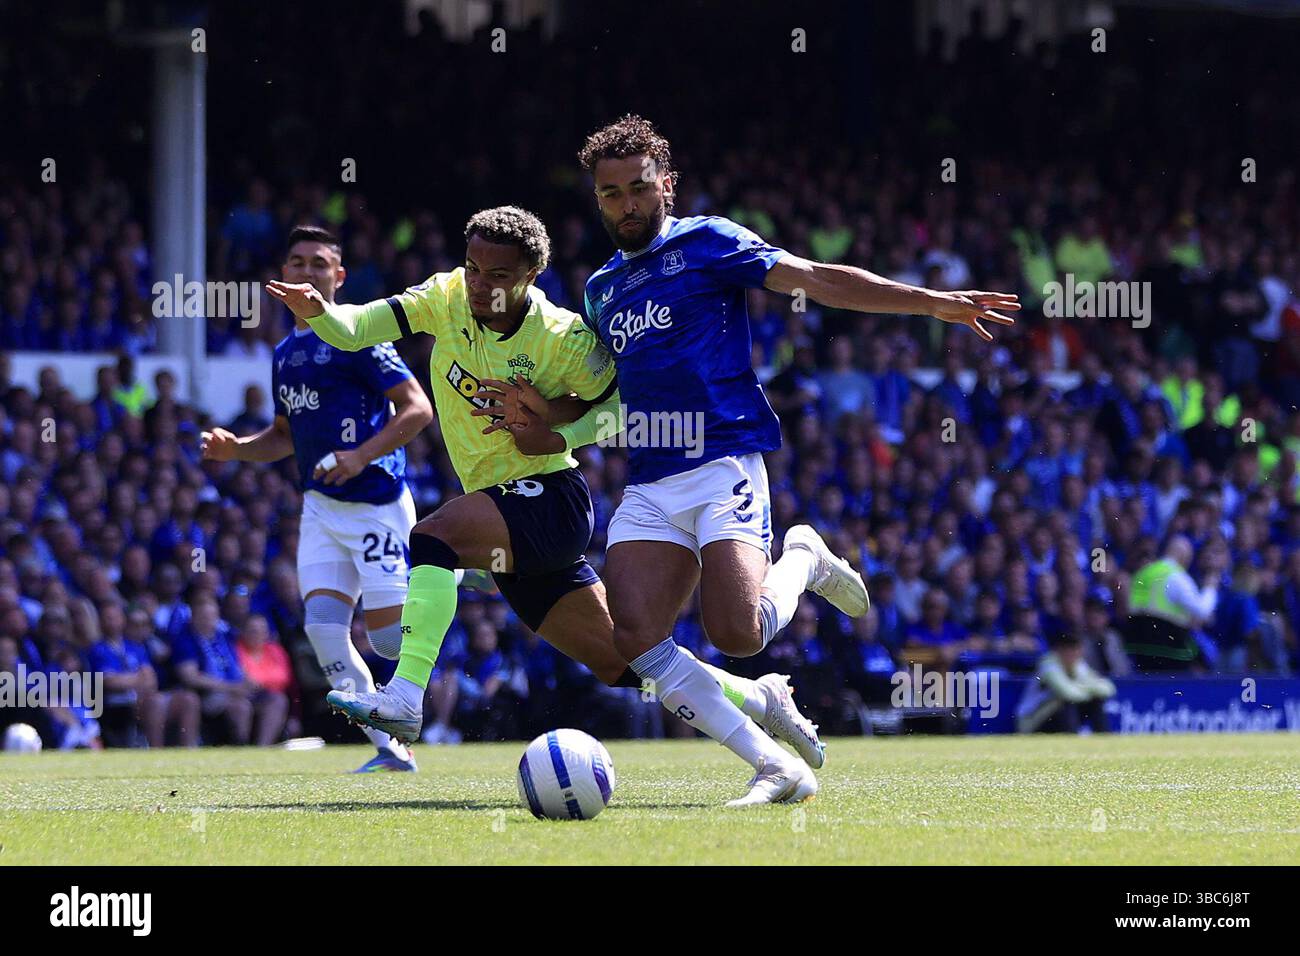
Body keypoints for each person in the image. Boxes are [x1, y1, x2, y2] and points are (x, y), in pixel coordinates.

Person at [267, 206, 826, 804]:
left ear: (532, 274)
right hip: (504, 511)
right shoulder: (447, 296)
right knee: (627, 663)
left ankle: (405, 696)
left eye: (498, 275)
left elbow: (621, 407)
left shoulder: (563, 340)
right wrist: (322, 314)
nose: (481, 285)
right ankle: (764, 707)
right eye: (473, 268)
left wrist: (557, 436)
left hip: (550, 501)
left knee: (432, 538)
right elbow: (357, 329)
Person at [564, 114, 1017, 804]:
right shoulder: (599, 290)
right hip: (650, 479)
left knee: (738, 634)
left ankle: (803, 556)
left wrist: (929, 304)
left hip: (723, 462)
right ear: (597, 198)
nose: (626, 205)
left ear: (666, 186)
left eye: (638, 188)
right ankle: (774, 763)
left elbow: (817, 278)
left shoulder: (709, 241)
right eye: (611, 194)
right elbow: (601, 393)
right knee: (632, 638)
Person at [202, 226, 433, 773]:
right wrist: (237, 451)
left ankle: (441, 572)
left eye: (319, 264)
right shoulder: (285, 353)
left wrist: (360, 455)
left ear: (339, 276)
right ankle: (389, 751)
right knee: (324, 633)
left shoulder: (357, 336)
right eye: (298, 262)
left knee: (386, 642)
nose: (307, 273)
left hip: (376, 503)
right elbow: (283, 436)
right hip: (321, 511)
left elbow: (417, 408)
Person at [1124, 536, 1221, 671]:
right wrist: (1210, 587)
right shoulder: (1176, 577)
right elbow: (1202, 611)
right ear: (1183, 556)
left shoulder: (1144, 573)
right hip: (1167, 650)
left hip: (1137, 648)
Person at [1016, 633, 1116, 733]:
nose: (1073, 654)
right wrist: (1089, 689)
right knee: (1067, 703)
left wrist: (1085, 689)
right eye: (1068, 650)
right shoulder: (1048, 666)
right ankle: (1071, 738)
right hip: (1032, 722)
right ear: (1058, 650)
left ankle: (1103, 735)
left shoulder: (1079, 665)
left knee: (1096, 701)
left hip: (1057, 718)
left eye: (1076, 650)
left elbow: (1109, 689)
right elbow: (1067, 694)